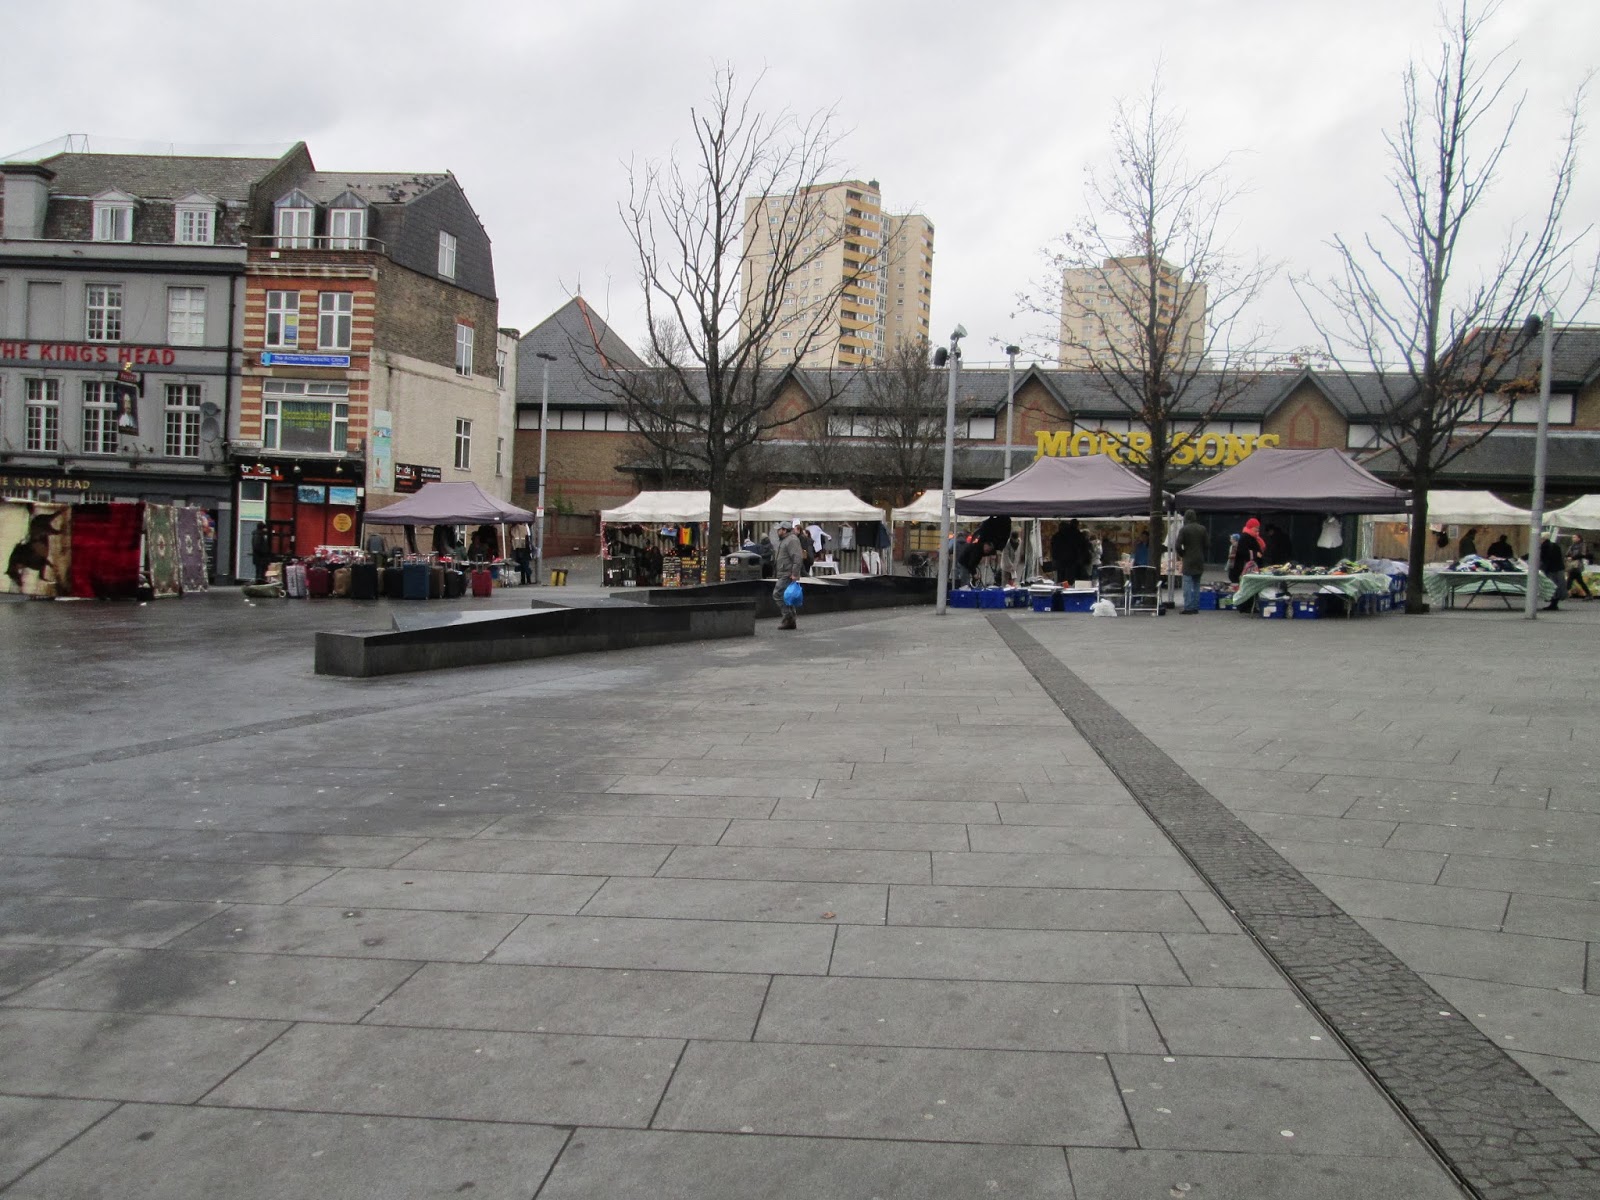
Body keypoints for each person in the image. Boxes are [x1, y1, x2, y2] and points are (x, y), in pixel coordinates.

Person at [773, 518, 806, 630]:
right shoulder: (786, 540)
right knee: (787, 597)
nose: (777, 531)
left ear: (784, 530)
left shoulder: (791, 540)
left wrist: (794, 573)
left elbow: (797, 557)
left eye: (779, 529)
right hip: (785, 572)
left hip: (787, 573)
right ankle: (790, 619)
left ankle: (788, 617)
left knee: (778, 594)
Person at [1176, 509, 1209, 615]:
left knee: (1187, 583)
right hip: (1199, 559)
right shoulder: (1202, 529)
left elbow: (1177, 545)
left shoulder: (1184, 529)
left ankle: (1188, 607)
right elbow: (1207, 544)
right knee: (1196, 584)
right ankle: (1195, 606)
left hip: (1188, 559)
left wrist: (1182, 554)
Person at [1050, 518, 1092, 586]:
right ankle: (1072, 589)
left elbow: (1053, 548)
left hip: (1062, 561)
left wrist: (1055, 558)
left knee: (1063, 579)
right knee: (1072, 579)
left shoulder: (1057, 536)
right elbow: (1083, 547)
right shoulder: (1076, 534)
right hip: (1072, 561)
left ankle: (1065, 589)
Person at [1539, 533, 1565, 611]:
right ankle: (1554, 603)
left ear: (1543, 539)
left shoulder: (1544, 546)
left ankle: (1553, 603)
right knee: (1558, 585)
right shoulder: (1555, 545)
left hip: (1550, 569)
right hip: (1559, 568)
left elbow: (1542, 558)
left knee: (1551, 585)